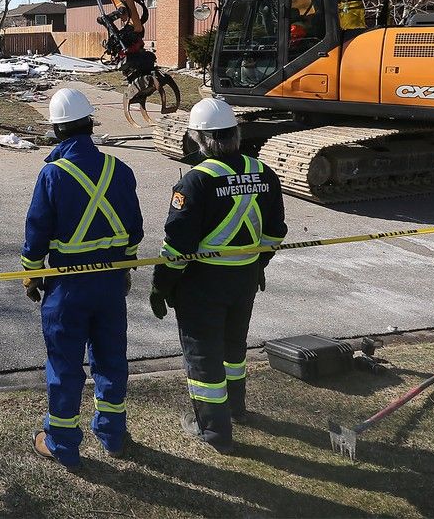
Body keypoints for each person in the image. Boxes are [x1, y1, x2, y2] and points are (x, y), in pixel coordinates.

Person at [150, 98, 287, 453]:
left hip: (202, 285)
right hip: (244, 281)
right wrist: (258, 264)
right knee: (233, 349)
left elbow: (178, 246)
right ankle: (235, 409)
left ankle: (212, 430)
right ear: (235, 134)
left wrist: (162, 284)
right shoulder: (263, 173)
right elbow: (275, 231)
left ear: (197, 138)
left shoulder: (195, 183)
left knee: (203, 355)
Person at [21, 88, 144, 468]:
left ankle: (61, 443)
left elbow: (36, 232)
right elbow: (133, 230)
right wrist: (123, 270)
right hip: (108, 284)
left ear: (57, 131)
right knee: (111, 359)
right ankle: (112, 433)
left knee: (64, 365)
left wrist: (30, 275)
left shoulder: (53, 174)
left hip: (67, 287)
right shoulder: (119, 169)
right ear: (90, 123)